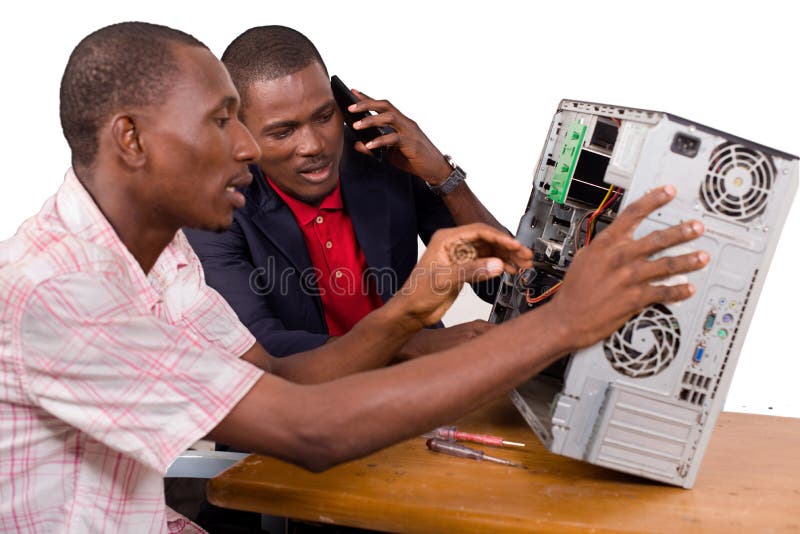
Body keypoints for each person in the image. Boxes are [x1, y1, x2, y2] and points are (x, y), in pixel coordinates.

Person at [0, 22, 708, 533]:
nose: (246, 146)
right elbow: (308, 428)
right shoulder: (60, 290)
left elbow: (280, 379)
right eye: (224, 121)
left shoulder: (161, 260)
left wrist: (410, 310)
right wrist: (562, 322)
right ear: (131, 138)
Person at [184, 25, 506, 357]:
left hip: (421, 376)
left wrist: (443, 175)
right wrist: (408, 345)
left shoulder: (384, 158)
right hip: (316, 396)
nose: (313, 145)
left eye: (324, 116)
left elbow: (504, 285)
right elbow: (258, 346)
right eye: (283, 132)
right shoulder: (214, 205)